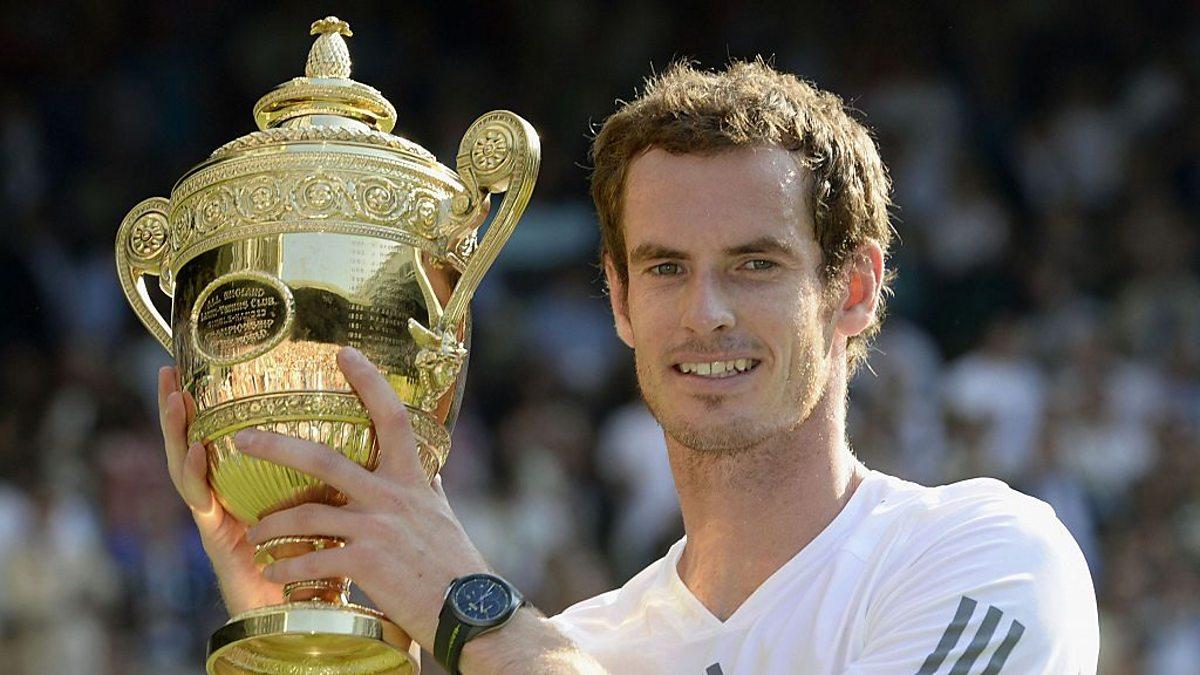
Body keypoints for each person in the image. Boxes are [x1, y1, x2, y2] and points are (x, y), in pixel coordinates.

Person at [157, 60, 1099, 674]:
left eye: (755, 264)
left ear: (853, 290)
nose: (706, 312)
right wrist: (298, 630)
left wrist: (468, 610)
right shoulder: (583, 644)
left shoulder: (988, 554)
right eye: (665, 267)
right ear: (618, 300)